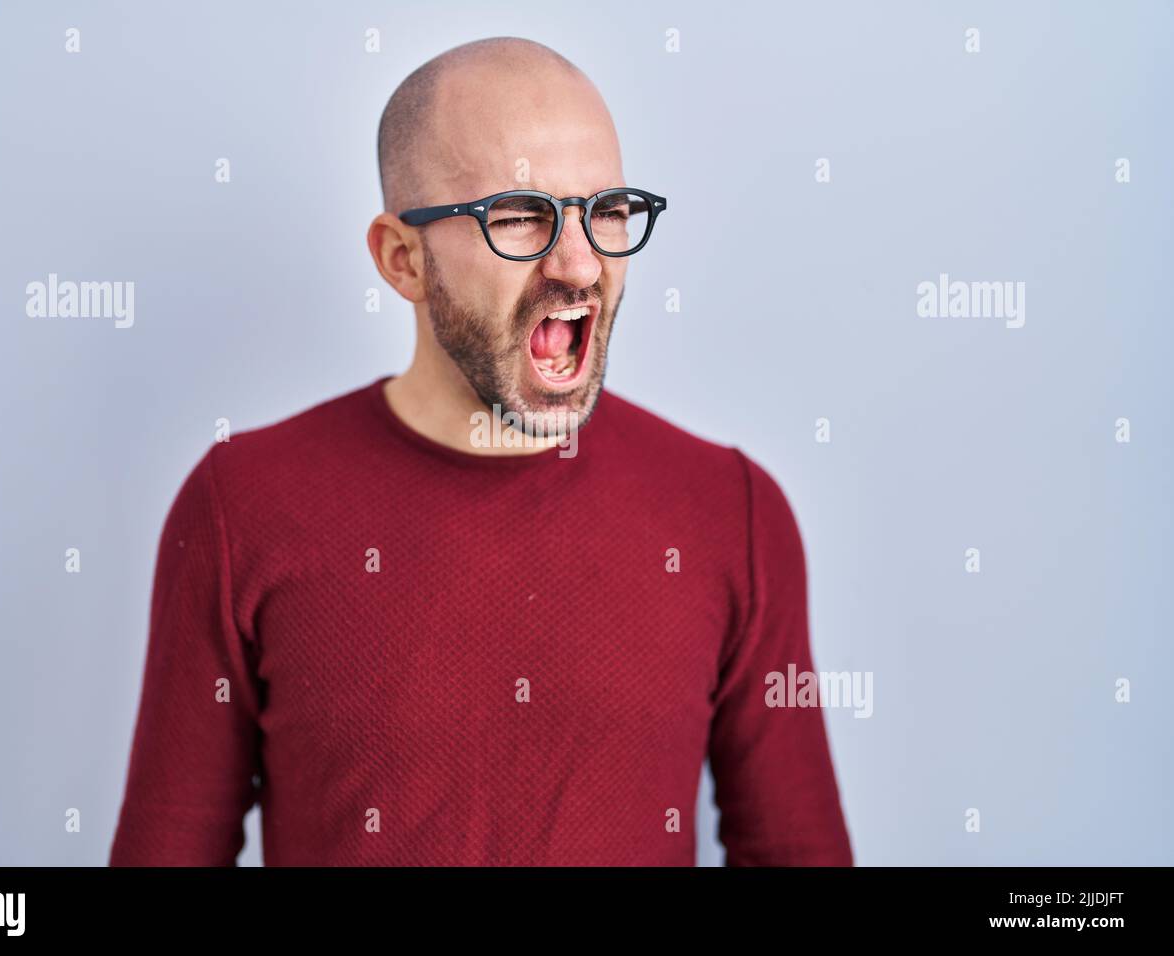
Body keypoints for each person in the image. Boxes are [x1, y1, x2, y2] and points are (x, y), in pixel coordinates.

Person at [109, 36, 852, 866]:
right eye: (521, 216)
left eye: (605, 210)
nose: (580, 264)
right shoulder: (240, 506)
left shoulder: (729, 510)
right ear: (403, 259)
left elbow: (799, 853)